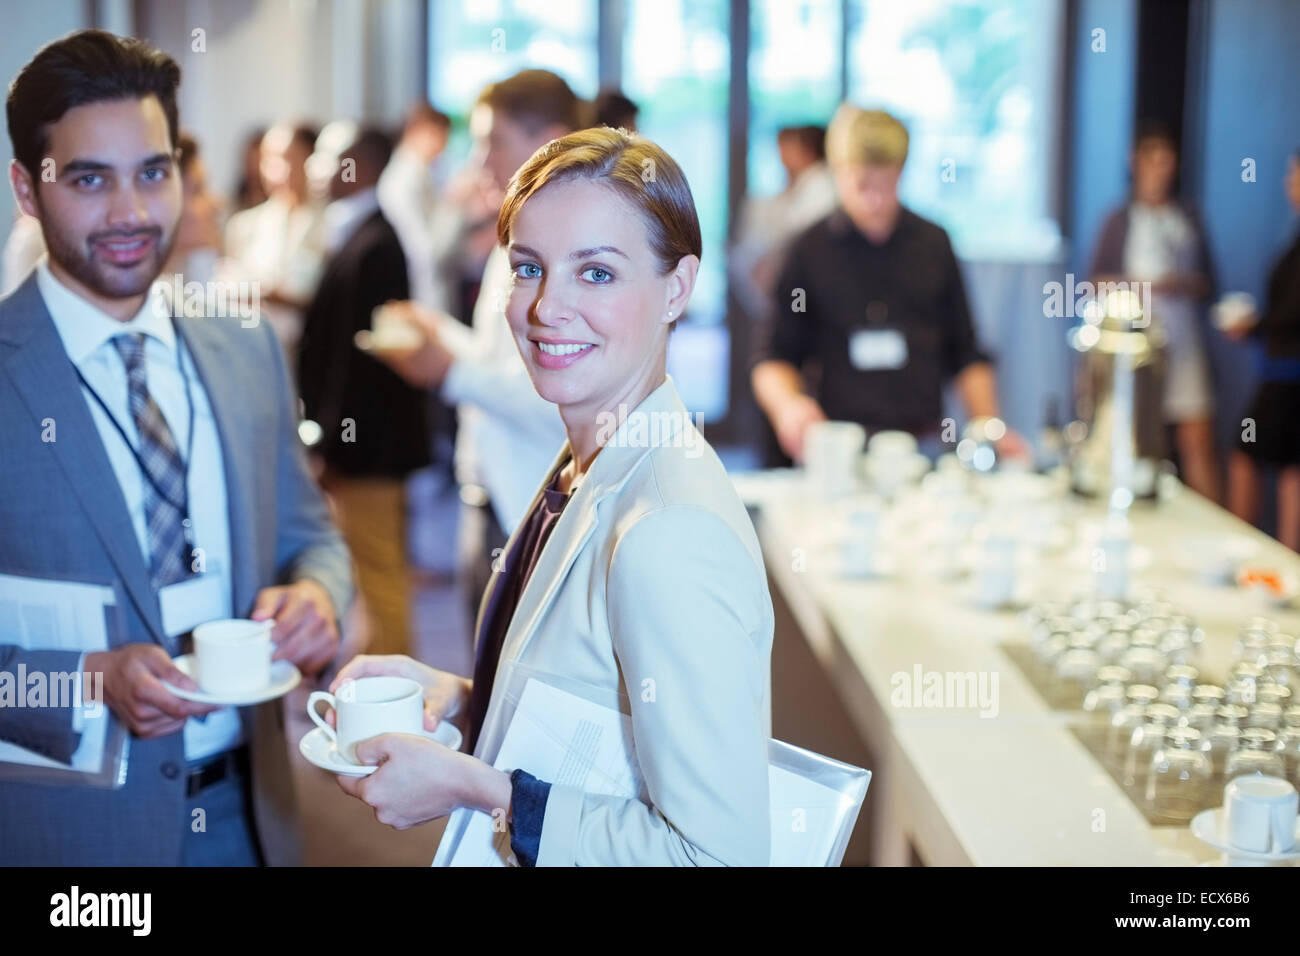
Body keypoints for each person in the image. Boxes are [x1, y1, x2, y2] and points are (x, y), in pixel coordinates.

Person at [330, 127, 775, 867]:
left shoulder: (670, 527)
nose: (545, 308)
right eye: (528, 269)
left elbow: (716, 856)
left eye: (595, 273)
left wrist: (485, 791)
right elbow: (612, 714)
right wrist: (470, 696)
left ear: (678, 288)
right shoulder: (587, 458)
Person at [0, 29, 351, 865]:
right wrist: (87, 680)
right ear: (28, 188)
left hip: (252, 810)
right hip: (73, 837)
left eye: (153, 173)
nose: (130, 212)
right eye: (89, 179)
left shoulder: (243, 345)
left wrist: (317, 597)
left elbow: (313, 535)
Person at [366, 70, 575, 635]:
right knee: (481, 668)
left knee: (520, 686)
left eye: (494, 142)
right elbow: (499, 357)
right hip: (485, 483)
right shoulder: (512, 234)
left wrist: (449, 371)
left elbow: (559, 397)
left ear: (549, 140)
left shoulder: (571, 249)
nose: (480, 160)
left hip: (534, 498)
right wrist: (437, 333)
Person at [751, 105, 1026, 465]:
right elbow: (773, 357)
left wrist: (989, 426)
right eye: (862, 185)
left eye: (888, 184)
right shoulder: (807, 250)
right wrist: (789, 407)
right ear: (837, 172)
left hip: (922, 446)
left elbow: (967, 352)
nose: (876, 201)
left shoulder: (934, 244)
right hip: (838, 447)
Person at [296, 124, 428, 659]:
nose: (317, 169)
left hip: (369, 448)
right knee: (370, 569)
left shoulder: (376, 242)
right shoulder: (356, 232)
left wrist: (330, 445)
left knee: (379, 571)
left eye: (331, 159)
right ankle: (380, 670)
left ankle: (395, 683)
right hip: (361, 444)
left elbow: (361, 367)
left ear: (363, 166)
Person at [1090, 121, 1220, 501]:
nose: (1161, 170)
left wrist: (1175, 283)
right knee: (1134, 435)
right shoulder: (1119, 219)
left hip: (1182, 338)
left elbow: (1208, 282)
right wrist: (1137, 283)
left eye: (1168, 162)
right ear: (1136, 163)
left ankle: (1215, 531)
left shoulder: (1187, 216)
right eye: (1153, 161)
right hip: (1134, 342)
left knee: (1196, 437)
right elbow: (1094, 281)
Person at [1227, 149, 1300, 550]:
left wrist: (1254, 325)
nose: (1289, 181)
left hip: (1290, 375)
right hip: (1282, 368)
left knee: (1249, 450)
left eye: (1295, 173)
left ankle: (1247, 549)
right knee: (1291, 470)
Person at [223, 121, 325, 352]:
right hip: (254, 347)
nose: (281, 170)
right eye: (271, 160)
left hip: (311, 350)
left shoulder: (330, 224)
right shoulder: (243, 226)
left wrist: (276, 296)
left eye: (291, 159)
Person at [376, 101, 459, 313]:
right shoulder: (403, 179)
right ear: (416, 130)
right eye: (437, 135)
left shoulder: (424, 173)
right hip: (416, 288)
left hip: (430, 285)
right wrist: (455, 205)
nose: (442, 144)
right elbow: (419, 248)